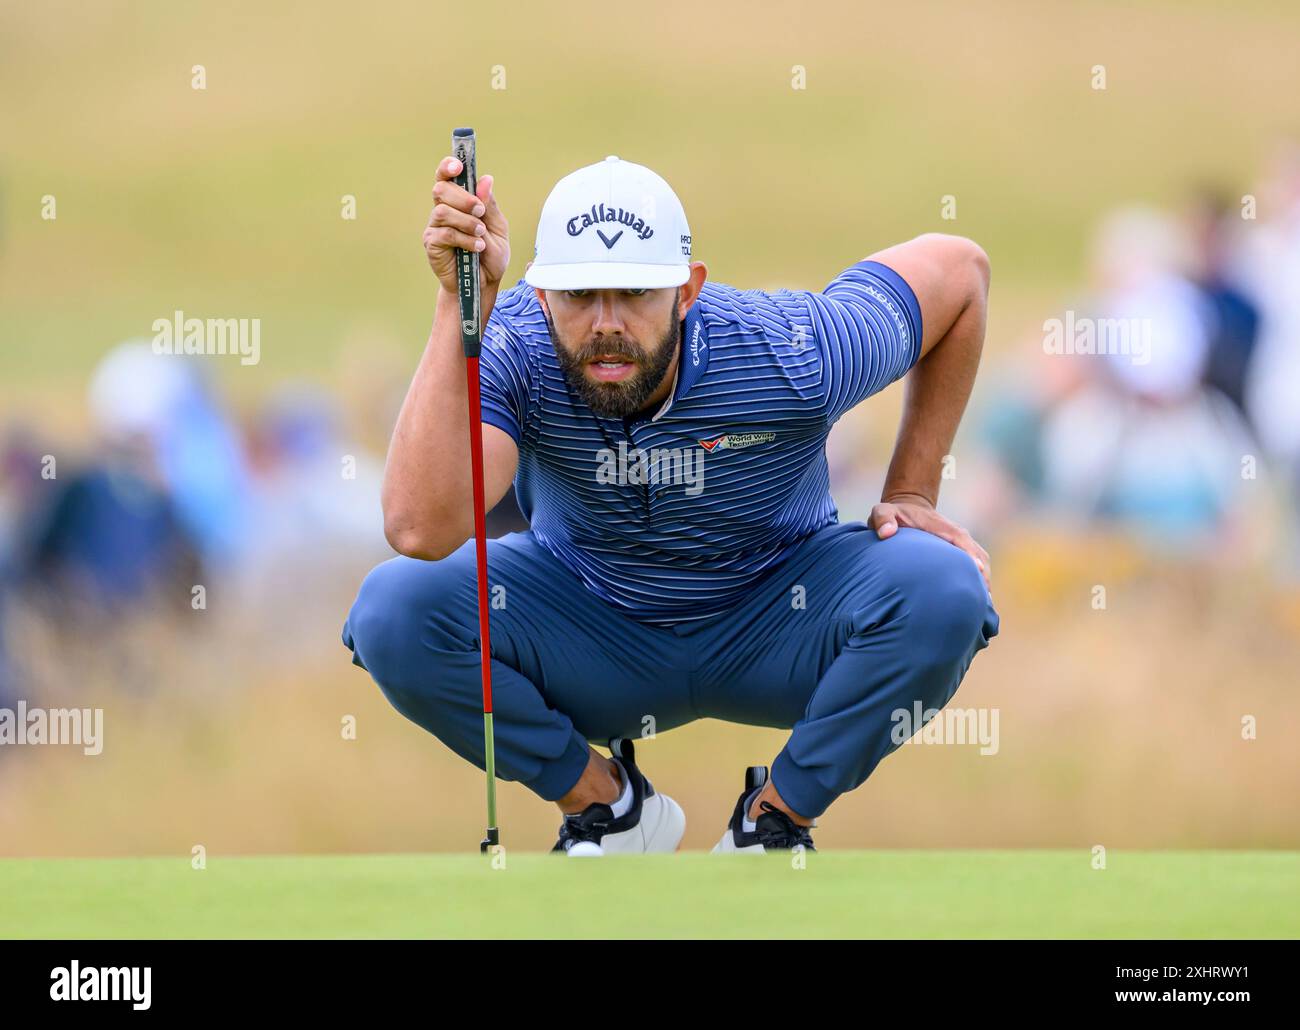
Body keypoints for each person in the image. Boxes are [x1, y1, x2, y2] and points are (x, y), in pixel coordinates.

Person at [343, 154, 999, 855]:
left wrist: (912, 489)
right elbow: (420, 527)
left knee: (944, 587)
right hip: (589, 622)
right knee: (394, 612)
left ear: (688, 291)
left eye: (635, 293)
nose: (606, 323)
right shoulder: (517, 348)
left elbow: (959, 271)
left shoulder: (791, 351)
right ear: (540, 298)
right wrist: (460, 306)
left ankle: (774, 820)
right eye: (578, 295)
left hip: (779, 614)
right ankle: (608, 807)